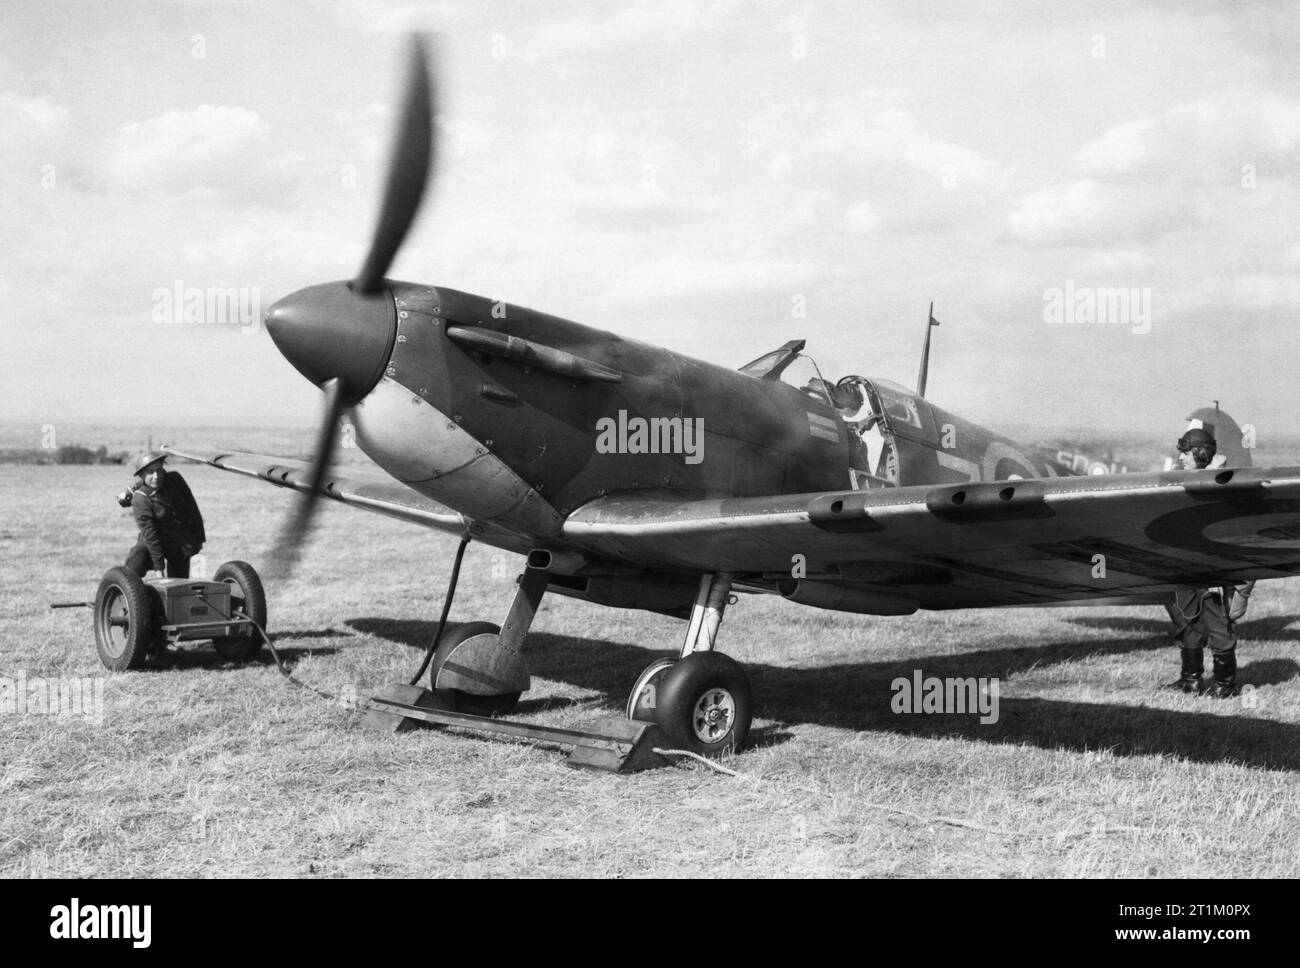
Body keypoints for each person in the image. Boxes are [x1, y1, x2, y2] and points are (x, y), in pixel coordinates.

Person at [1165, 427, 1253, 697]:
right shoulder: (1186, 480)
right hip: (1183, 566)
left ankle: (1225, 685)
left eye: (1185, 452)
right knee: (1185, 622)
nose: (1180, 457)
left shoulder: (1219, 484)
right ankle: (1190, 680)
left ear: (1199, 454)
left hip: (1210, 569)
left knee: (1218, 628)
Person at [117, 451, 205, 579]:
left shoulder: (175, 480)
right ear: (141, 475)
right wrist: (159, 570)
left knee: (178, 586)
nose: (156, 476)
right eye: (150, 472)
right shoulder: (140, 499)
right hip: (153, 541)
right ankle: (121, 590)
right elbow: (150, 535)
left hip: (179, 541)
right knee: (135, 564)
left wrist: (199, 538)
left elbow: (192, 509)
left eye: (159, 470)